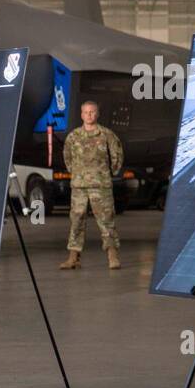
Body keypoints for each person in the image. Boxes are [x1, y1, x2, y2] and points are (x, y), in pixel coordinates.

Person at [60, 99, 124, 270]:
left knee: (106, 220)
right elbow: (67, 158)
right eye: (86, 112)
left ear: (97, 114)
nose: (89, 115)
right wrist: (77, 174)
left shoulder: (106, 135)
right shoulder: (73, 136)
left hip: (100, 185)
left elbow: (117, 156)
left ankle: (112, 256)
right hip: (79, 186)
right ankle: (73, 257)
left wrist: (107, 174)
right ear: (82, 115)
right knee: (76, 220)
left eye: (92, 112)